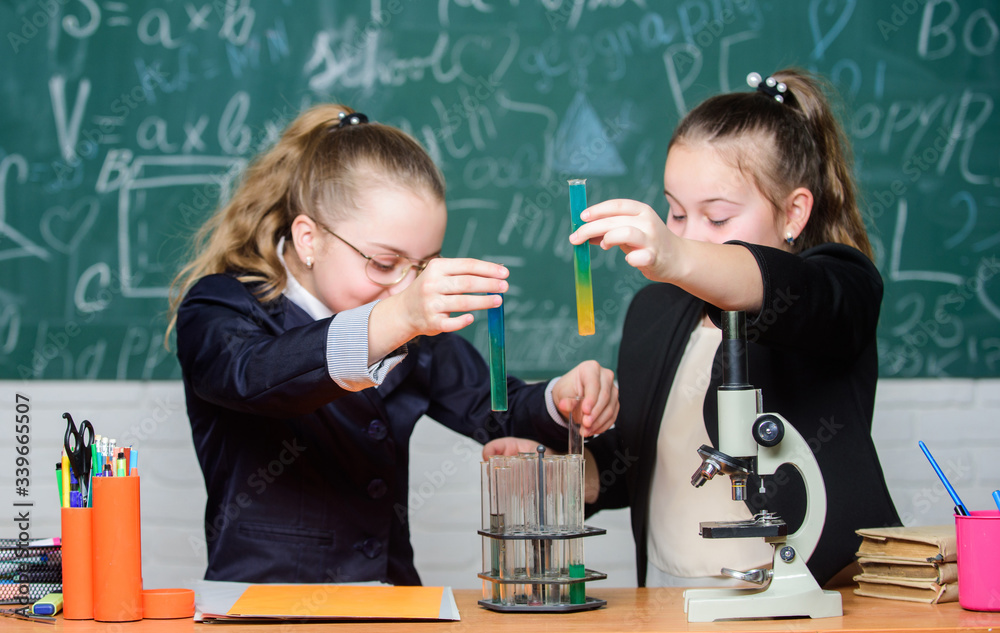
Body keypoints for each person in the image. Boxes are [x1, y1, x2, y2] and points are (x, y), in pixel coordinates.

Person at [166, 104, 618, 586]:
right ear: (308, 239)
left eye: (423, 266)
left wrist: (560, 399)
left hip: (393, 601)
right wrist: (397, 318)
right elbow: (251, 375)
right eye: (384, 263)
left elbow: (494, 407)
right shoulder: (223, 305)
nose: (406, 288)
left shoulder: (412, 331)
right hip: (265, 604)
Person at [487, 68, 900, 588]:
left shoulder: (841, 285)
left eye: (718, 218)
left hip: (802, 595)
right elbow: (641, 467)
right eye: (676, 213)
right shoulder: (655, 311)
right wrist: (560, 472)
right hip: (666, 594)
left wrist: (676, 252)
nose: (691, 234)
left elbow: (782, 287)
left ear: (795, 212)